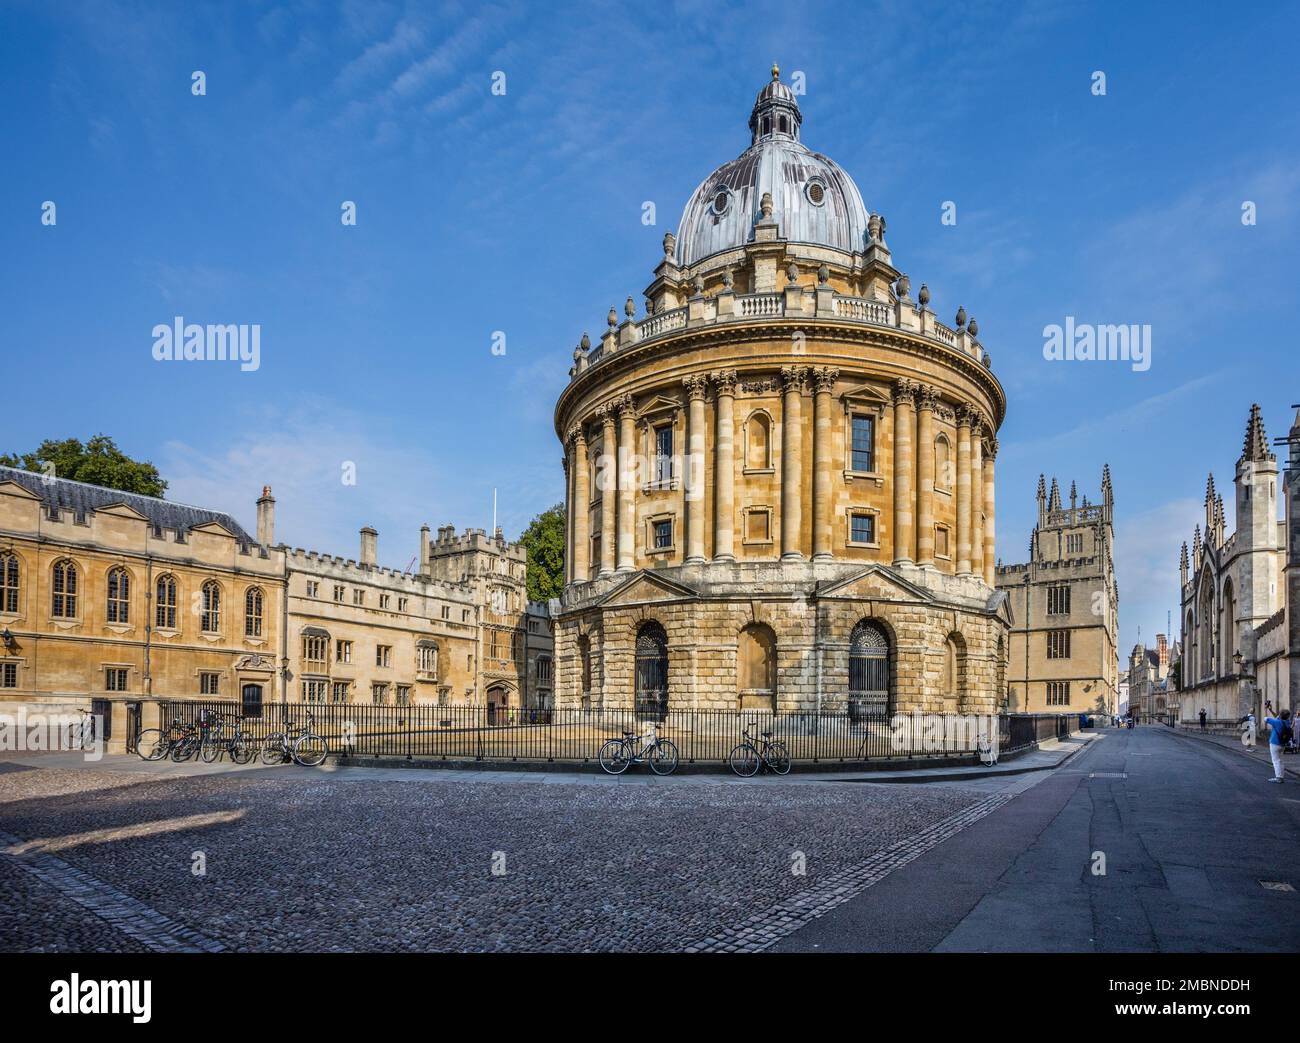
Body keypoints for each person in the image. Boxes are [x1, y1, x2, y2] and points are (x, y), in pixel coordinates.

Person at [1263, 708, 1293, 783]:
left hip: (1274, 743)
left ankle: (1278, 778)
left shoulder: (1276, 722)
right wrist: (1273, 711)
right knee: (1280, 760)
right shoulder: (1288, 722)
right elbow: (1279, 718)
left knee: (1275, 760)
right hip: (1283, 744)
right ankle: (1281, 776)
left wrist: (1266, 710)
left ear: (1280, 715)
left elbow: (1265, 718)